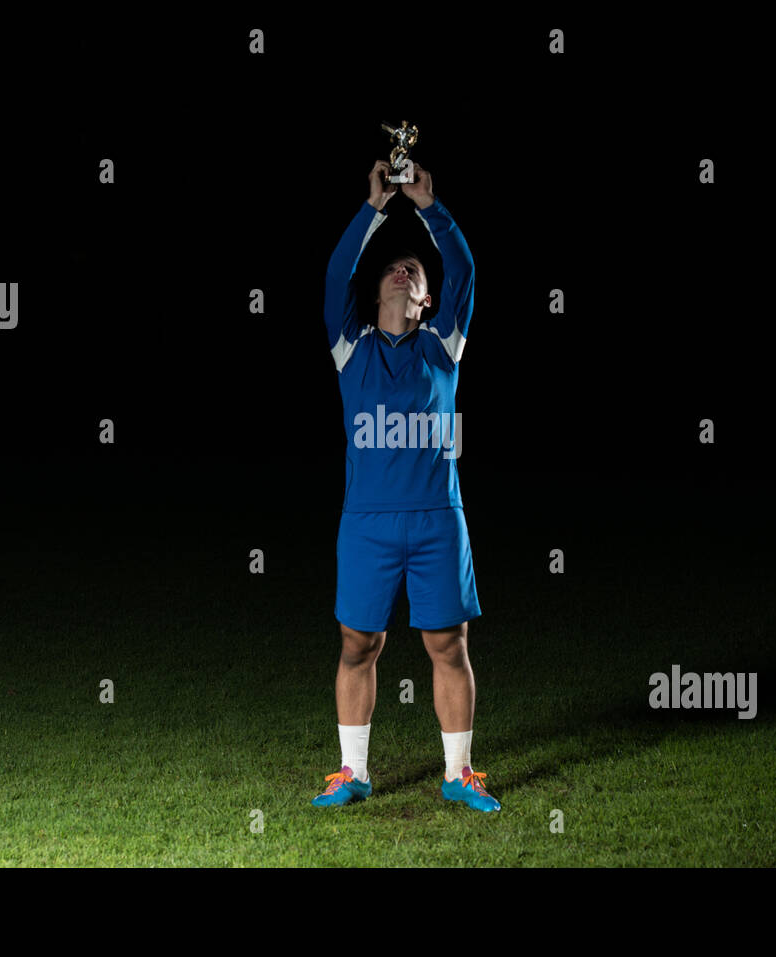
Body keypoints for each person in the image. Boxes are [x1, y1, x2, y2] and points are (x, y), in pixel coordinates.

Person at [313, 158, 498, 812]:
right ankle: (353, 771)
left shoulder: (442, 348)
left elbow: (466, 272)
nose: (404, 268)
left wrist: (429, 207)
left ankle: (459, 772)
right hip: (367, 522)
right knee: (358, 642)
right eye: (395, 266)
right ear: (377, 294)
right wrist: (372, 210)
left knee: (448, 643)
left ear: (425, 300)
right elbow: (337, 274)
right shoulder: (351, 348)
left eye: (415, 270)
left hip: (435, 519)